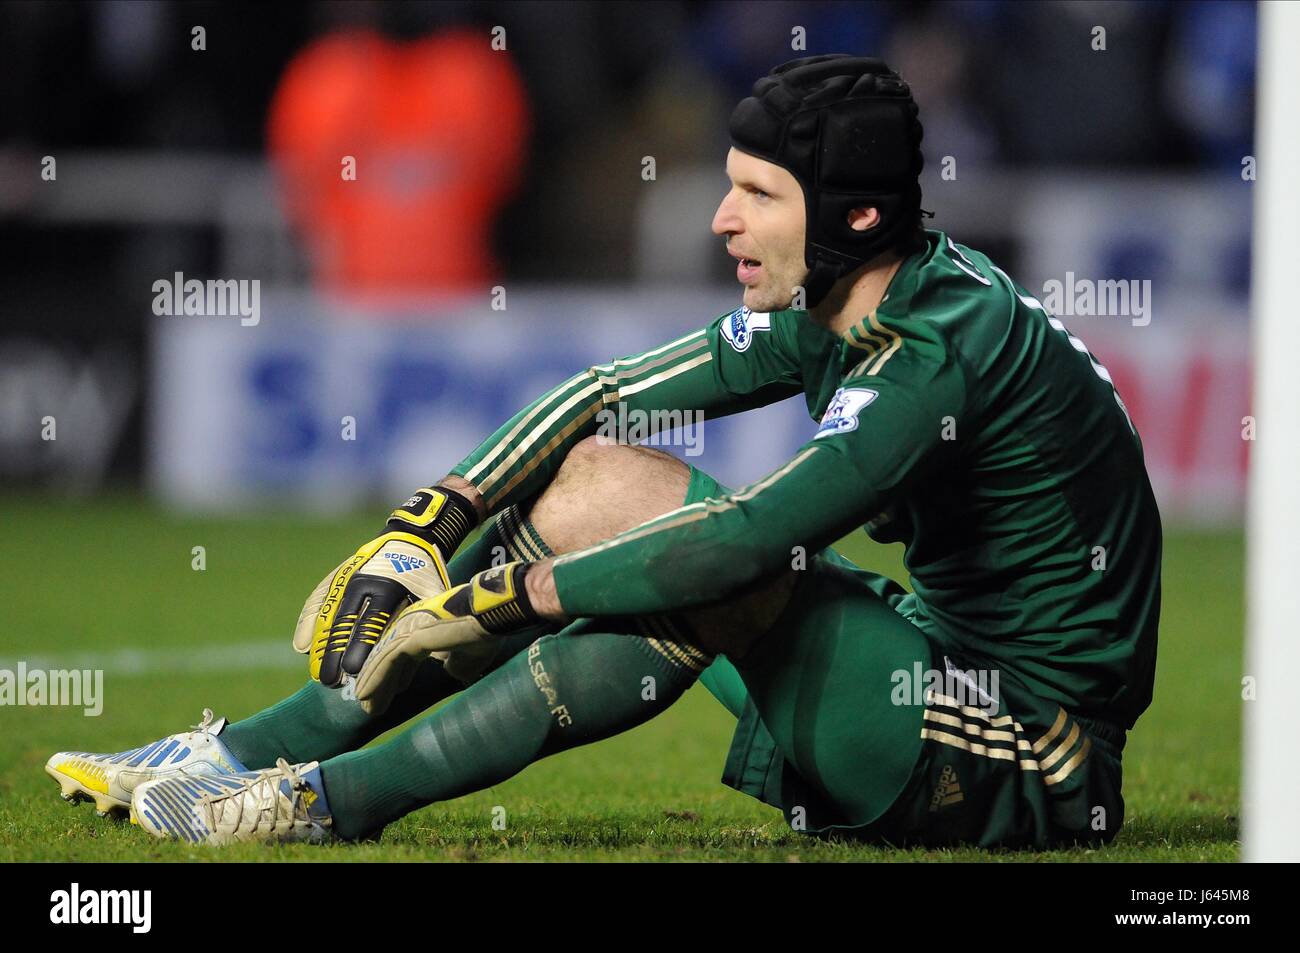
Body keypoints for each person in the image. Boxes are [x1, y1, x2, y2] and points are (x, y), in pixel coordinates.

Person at [46, 55, 1160, 850]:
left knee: (718, 570)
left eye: (757, 194)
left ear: (857, 219)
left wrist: (511, 596)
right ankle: (241, 755)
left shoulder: (933, 355)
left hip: (1024, 748)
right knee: (609, 480)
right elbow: (605, 396)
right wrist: (427, 526)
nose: (722, 218)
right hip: (927, 659)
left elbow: (751, 536)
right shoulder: (848, 287)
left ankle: (314, 802)